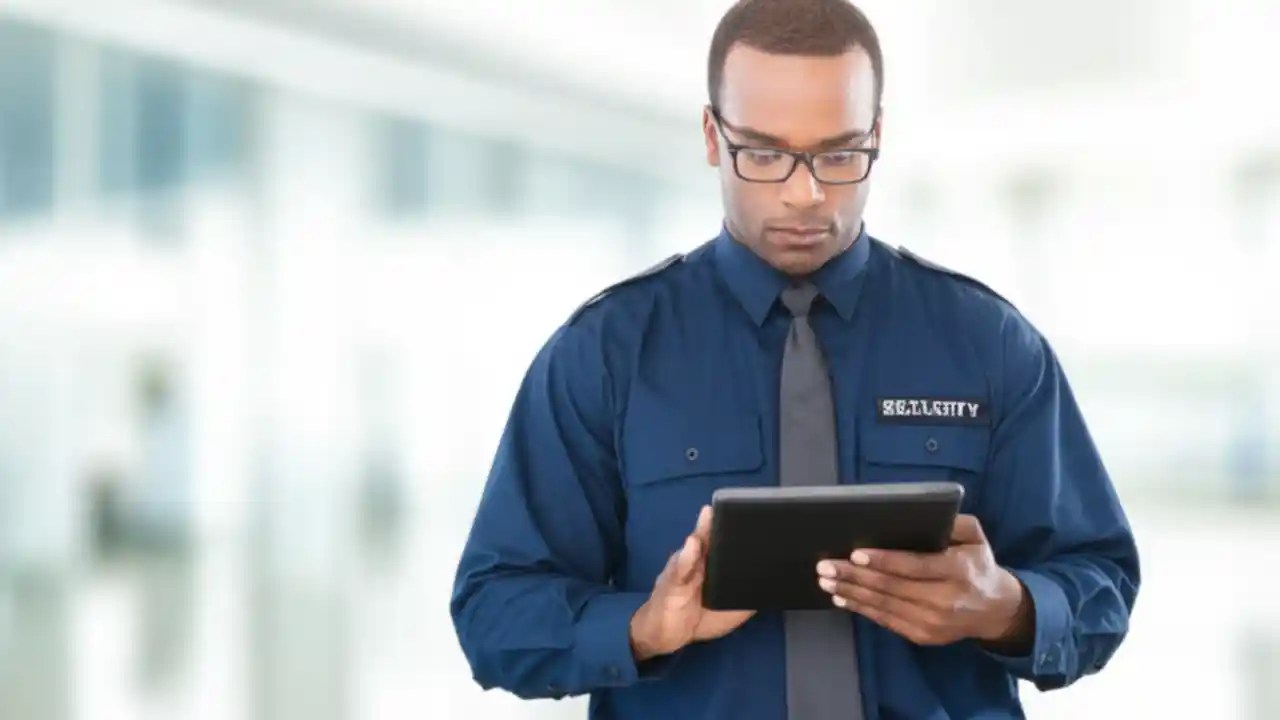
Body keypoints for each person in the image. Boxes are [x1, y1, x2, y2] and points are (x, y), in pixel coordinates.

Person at [450, 1, 1140, 718]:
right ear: (713, 136)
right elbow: (493, 614)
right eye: (766, 153)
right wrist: (641, 628)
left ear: (878, 135)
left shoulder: (989, 342)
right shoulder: (605, 354)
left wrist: (1006, 608)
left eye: (839, 154)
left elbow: (1101, 580)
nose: (805, 194)